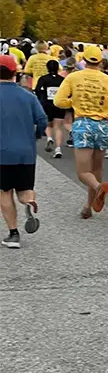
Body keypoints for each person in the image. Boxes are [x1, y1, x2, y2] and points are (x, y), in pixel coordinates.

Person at [53, 45, 108, 219]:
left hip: (83, 124)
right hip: (102, 125)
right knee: (96, 169)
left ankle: (98, 188)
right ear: (101, 61)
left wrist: (73, 103)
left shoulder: (73, 77)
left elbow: (58, 100)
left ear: (84, 60)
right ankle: (88, 206)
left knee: (83, 172)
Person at [0, 55, 47, 249]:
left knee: (4, 193)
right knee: (24, 188)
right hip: (26, 152)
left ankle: (13, 234)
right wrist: (35, 135)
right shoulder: (28, 96)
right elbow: (42, 120)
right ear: (15, 73)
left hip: (2, 153)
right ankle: (28, 201)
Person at [34, 60, 67, 159]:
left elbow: (37, 90)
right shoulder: (62, 80)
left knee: (48, 124)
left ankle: (49, 137)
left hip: (47, 105)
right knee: (58, 127)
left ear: (47, 68)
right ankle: (58, 148)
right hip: (59, 105)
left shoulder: (43, 79)